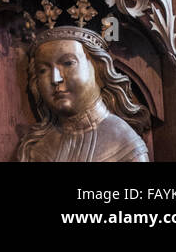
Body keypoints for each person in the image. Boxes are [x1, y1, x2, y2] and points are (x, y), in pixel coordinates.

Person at [18, 25, 149, 163]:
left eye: (68, 63)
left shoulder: (123, 142)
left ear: (98, 70)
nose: (55, 79)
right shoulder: (37, 148)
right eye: (43, 70)